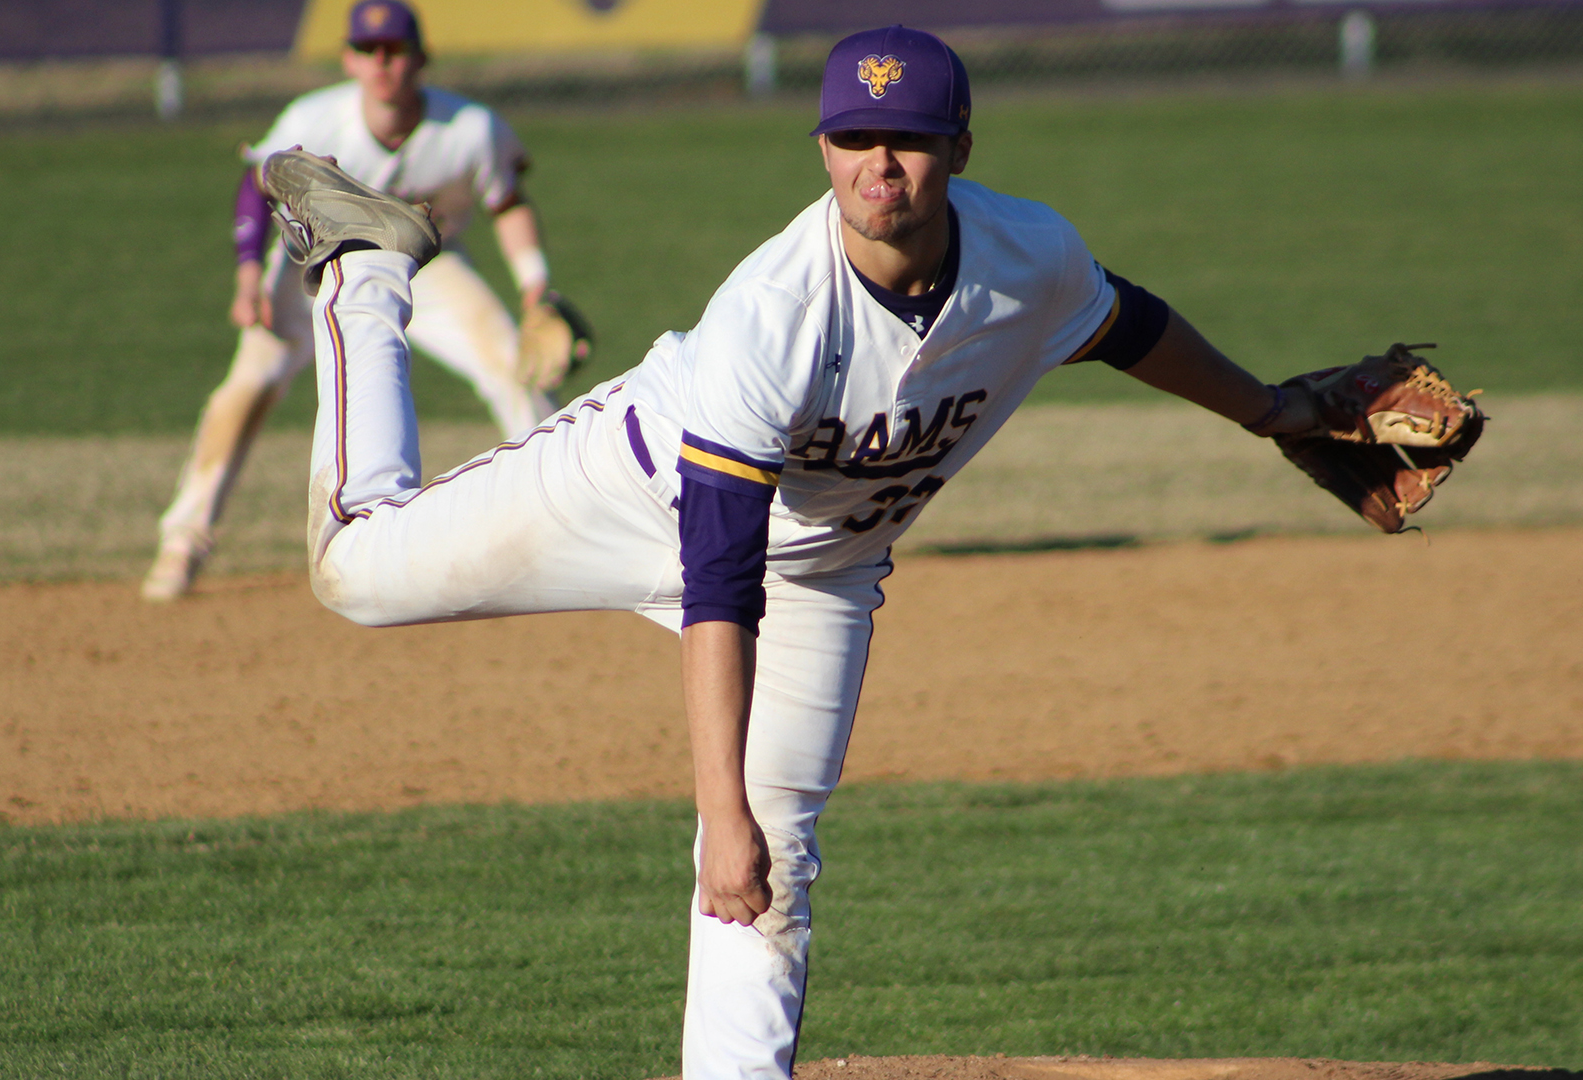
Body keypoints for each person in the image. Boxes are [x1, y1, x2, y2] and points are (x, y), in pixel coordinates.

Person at [262, 25, 1325, 1078]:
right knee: (355, 573)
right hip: (636, 485)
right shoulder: (772, 316)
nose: (880, 165)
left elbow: (1127, 327)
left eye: (906, 137)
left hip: (824, 572)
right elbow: (719, 574)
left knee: (772, 866)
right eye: (855, 137)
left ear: (960, 147)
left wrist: (1272, 413)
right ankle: (366, 268)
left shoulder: (1028, 257)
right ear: (822, 149)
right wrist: (716, 807)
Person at [141, 0, 590, 601]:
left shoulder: (469, 129)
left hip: (425, 270)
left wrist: (536, 287)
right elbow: (256, 189)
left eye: (394, 50)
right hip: (310, 271)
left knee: (516, 365)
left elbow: (506, 201)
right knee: (244, 390)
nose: (382, 62)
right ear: (350, 59)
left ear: (420, 58)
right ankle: (183, 542)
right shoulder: (315, 119)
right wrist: (248, 277)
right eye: (368, 50)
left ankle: (556, 528)